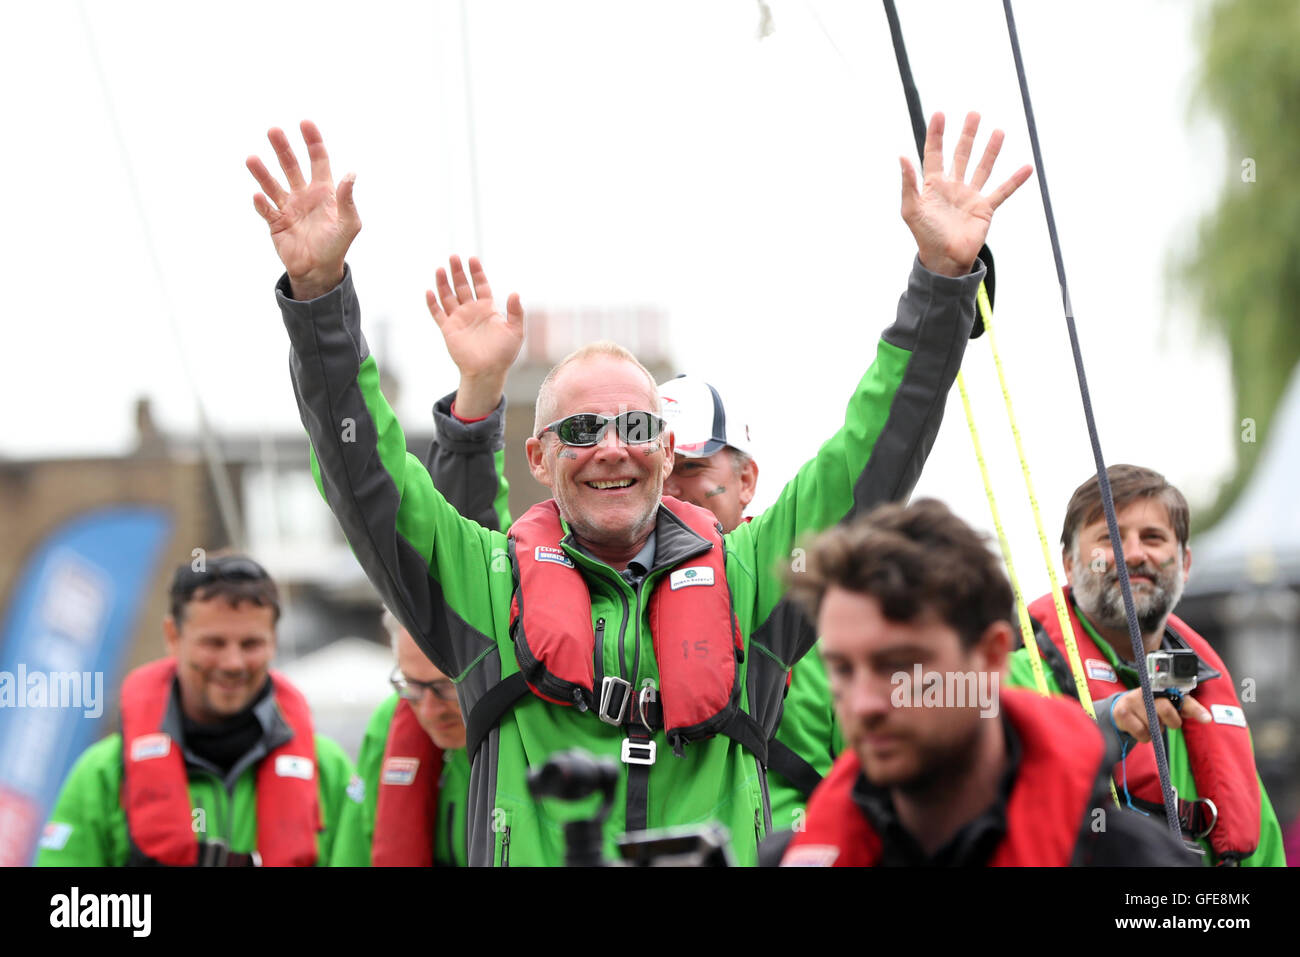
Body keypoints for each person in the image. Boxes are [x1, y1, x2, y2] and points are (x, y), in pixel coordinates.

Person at [249, 111, 1031, 866]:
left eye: (635, 427)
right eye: (582, 431)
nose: (611, 449)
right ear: (539, 457)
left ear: (666, 451)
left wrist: (941, 281)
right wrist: (319, 298)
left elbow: (870, 461)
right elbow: (367, 478)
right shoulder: (486, 587)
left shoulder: (751, 579)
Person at [429, 364, 843, 832]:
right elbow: (474, 552)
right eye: (591, 434)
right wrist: (475, 404)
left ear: (746, 480)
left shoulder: (807, 616)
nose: (670, 488)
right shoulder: (555, 590)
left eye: (693, 468)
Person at [778, 499, 1193, 866]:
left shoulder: (1132, 860)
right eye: (843, 670)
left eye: (899, 667)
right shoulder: (786, 858)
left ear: (993, 656)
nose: (863, 704)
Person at [1005, 465, 1287, 866]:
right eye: (1110, 538)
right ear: (1068, 564)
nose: (1133, 554)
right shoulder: (1012, 679)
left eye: (1153, 538)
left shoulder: (1212, 701)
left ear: (1185, 564)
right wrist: (1107, 722)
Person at [37, 556, 355, 866]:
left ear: (273, 641)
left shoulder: (329, 770)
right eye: (214, 643)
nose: (233, 663)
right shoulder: (103, 775)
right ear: (173, 637)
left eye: (251, 644)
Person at [331, 611, 470, 866]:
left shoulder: (530, 727)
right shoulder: (387, 723)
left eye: (448, 686)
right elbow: (354, 853)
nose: (429, 711)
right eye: (413, 685)